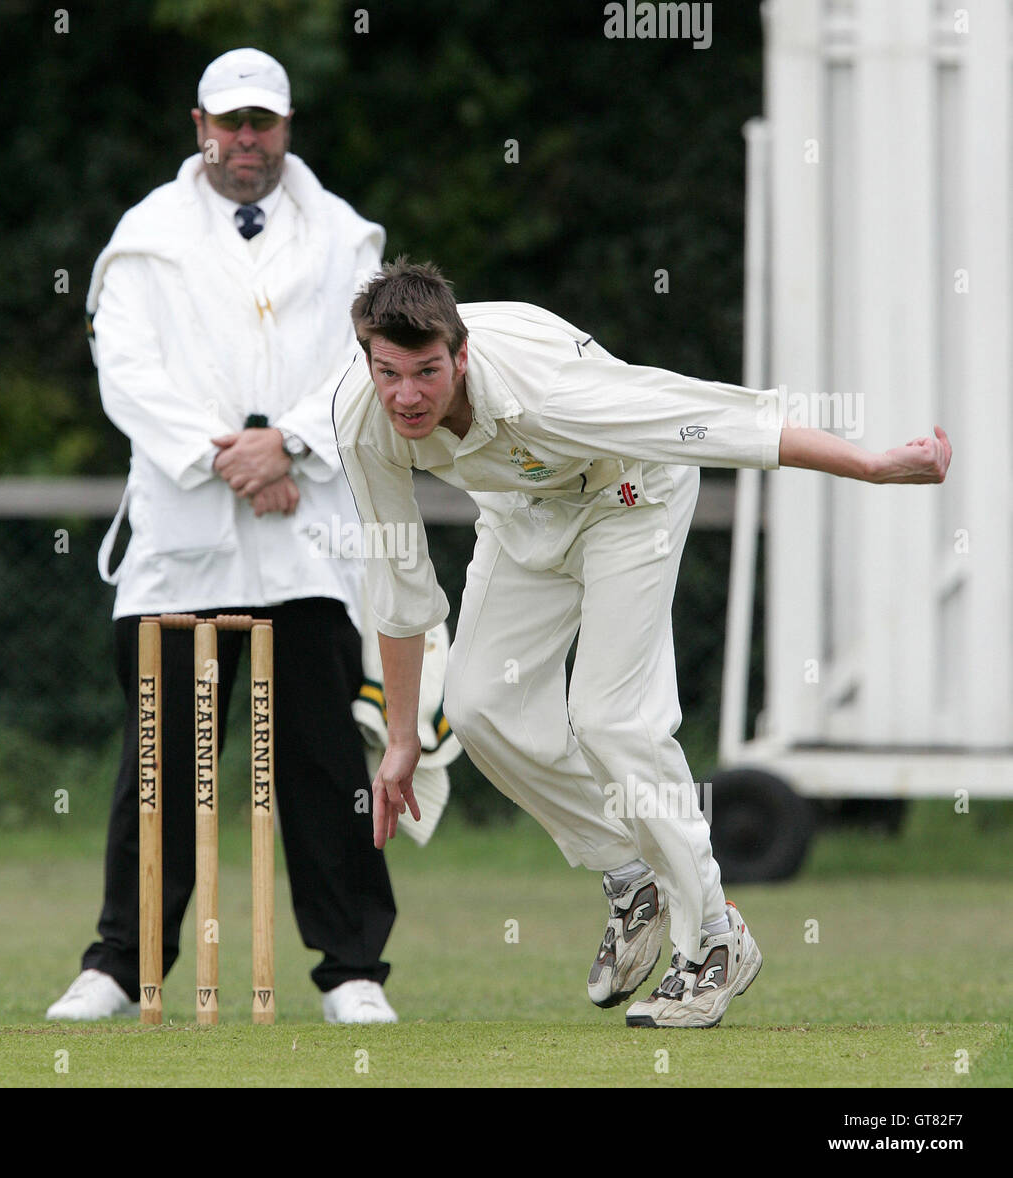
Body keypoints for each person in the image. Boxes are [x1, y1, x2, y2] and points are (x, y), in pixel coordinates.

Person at [333, 259, 951, 1028]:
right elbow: (399, 579)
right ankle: (634, 878)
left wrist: (869, 463)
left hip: (633, 495)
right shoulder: (361, 417)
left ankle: (716, 939)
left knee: (609, 719)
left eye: (427, 372)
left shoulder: (547, 392)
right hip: (526, 514)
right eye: (389, 373)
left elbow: (705, 420)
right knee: (479, 706)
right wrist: (401, 737)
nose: (408, 396)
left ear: (461, 355)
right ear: (366, 361)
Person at [47, 48, 399, 1024]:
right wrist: (228, 459)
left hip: (305, 535)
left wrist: (286, 443)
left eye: (265, 124)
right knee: (161, 764)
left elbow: (367, 365)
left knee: (324, 763)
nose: (248, 141)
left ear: (286, 128)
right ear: (198, 122)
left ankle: (352, 967)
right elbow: (128, 374)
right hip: (182, 537)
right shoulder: (145, 237)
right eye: (231, 123)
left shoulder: (344, 238)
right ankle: (122, 961)